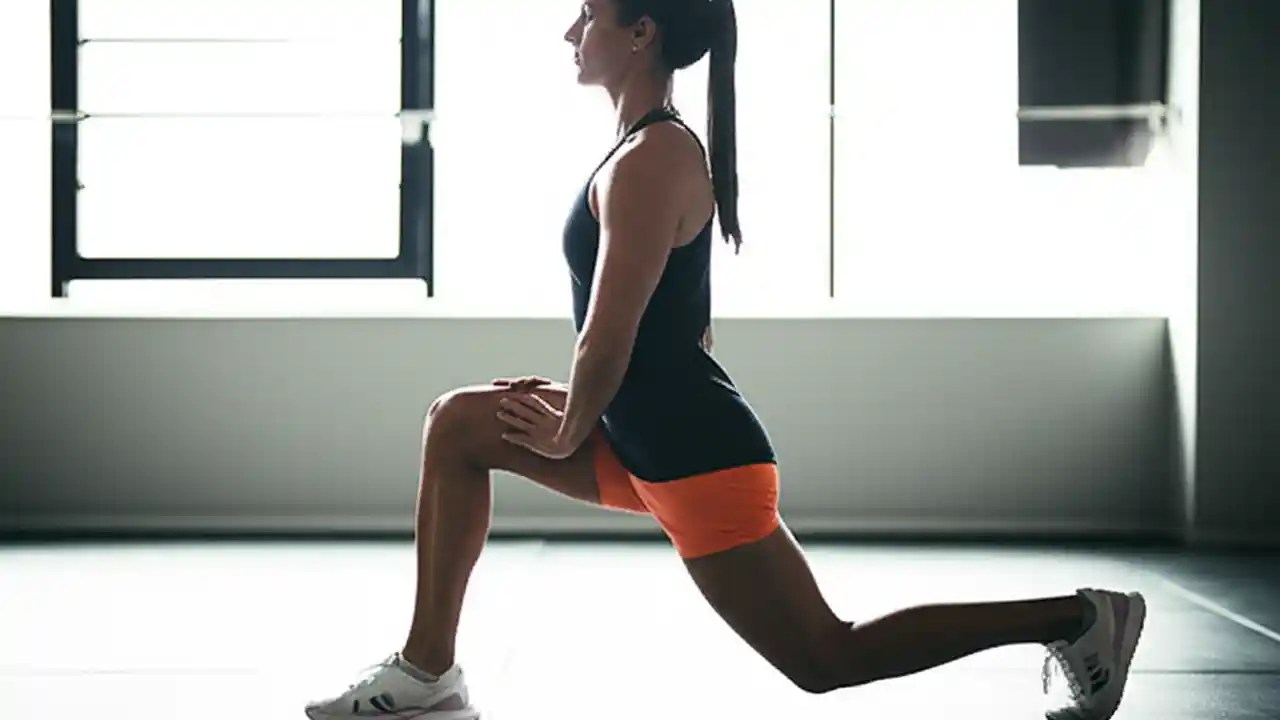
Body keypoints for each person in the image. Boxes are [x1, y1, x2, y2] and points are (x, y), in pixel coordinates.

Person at [304, 1, 1146, 718]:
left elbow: (611, 335)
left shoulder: (653, 158)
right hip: (648, 441)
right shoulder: (643, 149)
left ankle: (1077, 619)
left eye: (588, 14)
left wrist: (567, 426)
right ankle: (427, 674)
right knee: (458, 424)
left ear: (641, 33)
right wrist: (579, 404)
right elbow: (679, 334)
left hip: (698, 461)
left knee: (828, 657)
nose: (570, 31)